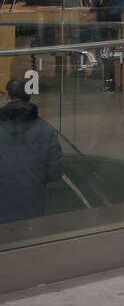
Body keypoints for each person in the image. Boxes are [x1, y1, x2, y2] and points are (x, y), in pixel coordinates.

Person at [0, 78, 64, 224]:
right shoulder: (45, 130)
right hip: (33, 205)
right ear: (29, 97)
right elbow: (55, 172)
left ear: (7, 96)